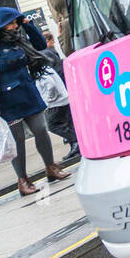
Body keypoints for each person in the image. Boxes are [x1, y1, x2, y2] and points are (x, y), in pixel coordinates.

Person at [0, 7, 69, 196]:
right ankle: (23, 180)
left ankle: (51, 168)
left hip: (28, 94)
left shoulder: (18, 38)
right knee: (17, 141)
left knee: (41, 130)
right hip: (7, 102)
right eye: (11, 22)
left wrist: (29, 24)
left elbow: (41, 45)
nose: (15, 25)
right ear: (0, 26)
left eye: (16, 21)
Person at [41, 32, 80, 164]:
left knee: (53, 125)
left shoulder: (45, 54)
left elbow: (50, 80)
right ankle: (75, 145)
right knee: (67, 121)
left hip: (57, 98)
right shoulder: (51, 52)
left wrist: (49, 98)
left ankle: (76, 142)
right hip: (63, 93)